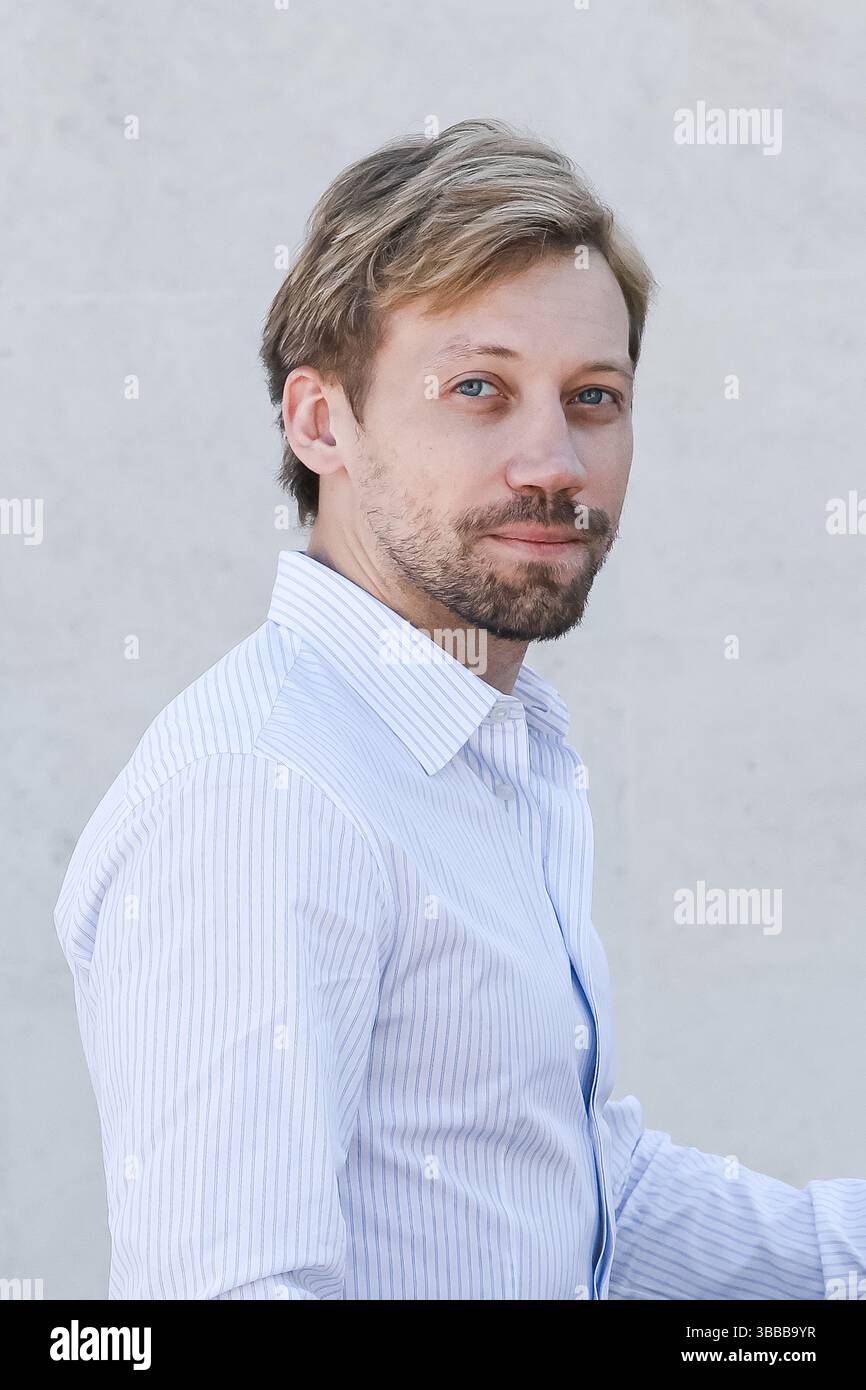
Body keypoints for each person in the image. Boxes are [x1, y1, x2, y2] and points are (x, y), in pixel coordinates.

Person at [54, 118, 866, 1300]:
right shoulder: (260, 795)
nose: (552, 461)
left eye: (592, 397)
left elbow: (568, 1195)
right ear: (320, 421)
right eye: (476, 388)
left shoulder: (487, 745)